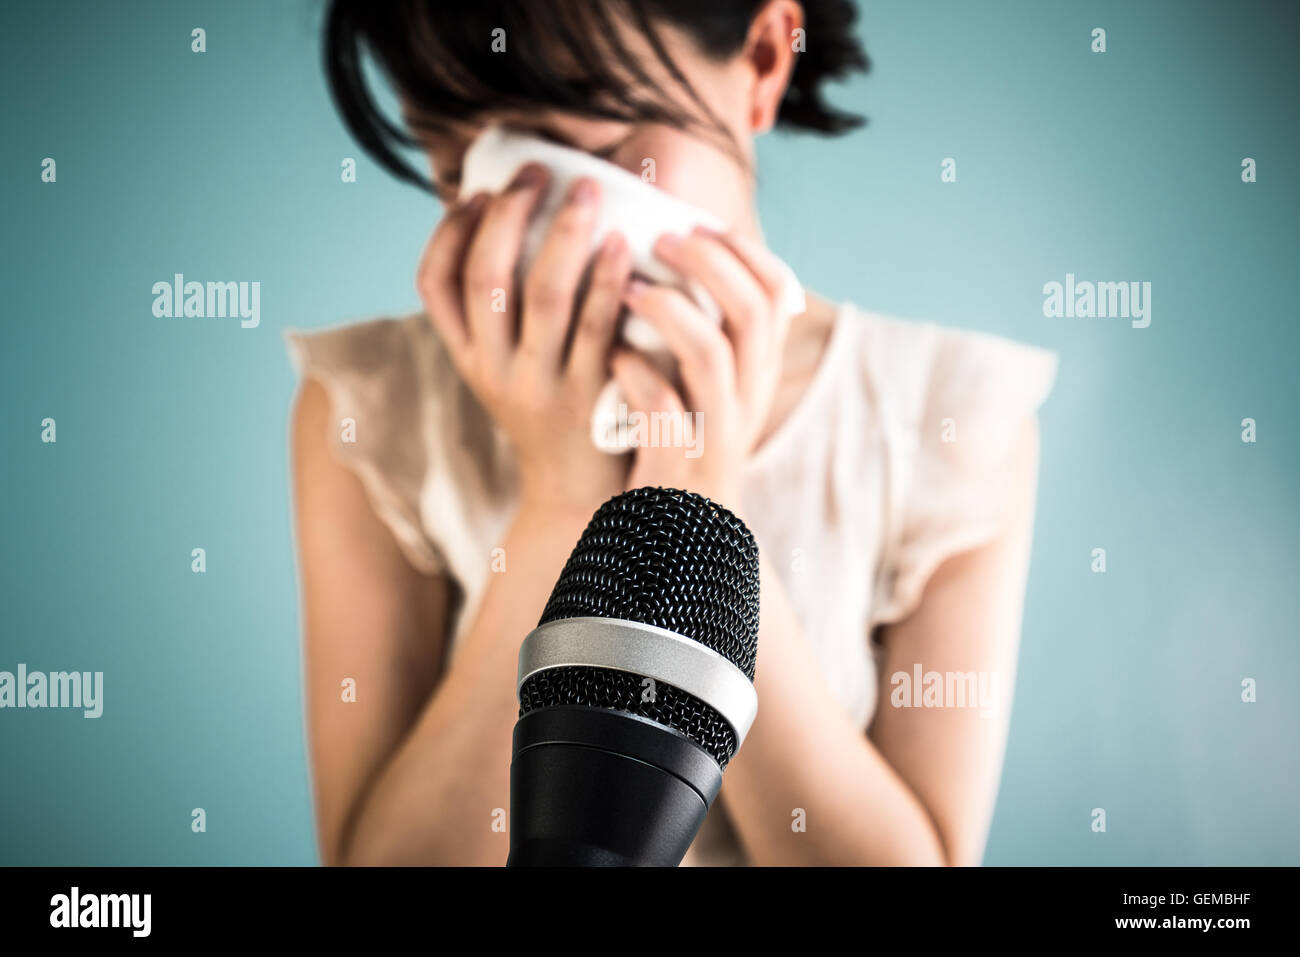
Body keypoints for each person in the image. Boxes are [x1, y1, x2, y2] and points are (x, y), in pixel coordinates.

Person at [286, 0, 1058, 866]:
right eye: (457, 157)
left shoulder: (944, 421)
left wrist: (701, 505)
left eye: (594, 150)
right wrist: (560, 503)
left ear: (763, 59)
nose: (526, 224)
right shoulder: (373, 411)